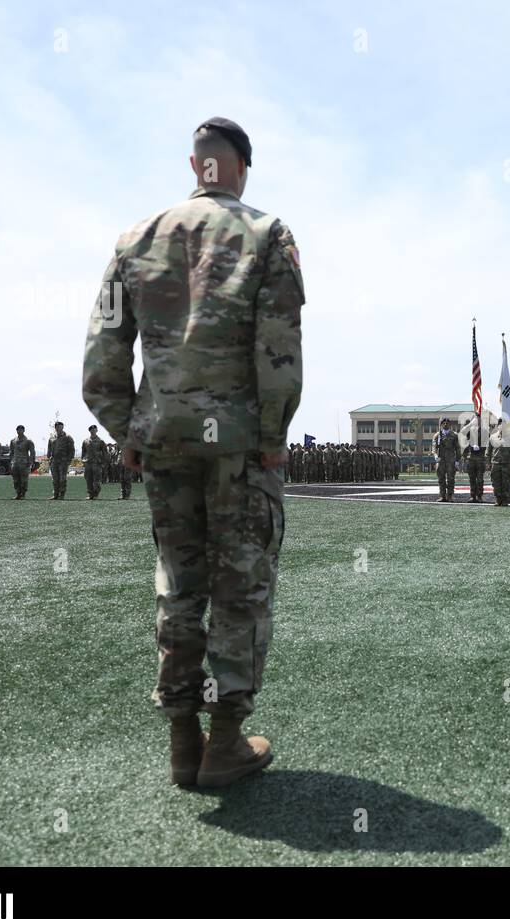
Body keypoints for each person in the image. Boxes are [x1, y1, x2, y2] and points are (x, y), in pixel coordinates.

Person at [82, 116, 304, 788]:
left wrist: (130, 429)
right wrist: (271, 435)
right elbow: (279, 347)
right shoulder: (267, 234)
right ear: (242, 167)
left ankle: (183, 740)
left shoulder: (134, 239)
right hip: (238, 443)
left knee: (180, 583)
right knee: (240, 585)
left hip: (166, 441)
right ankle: (226, 740)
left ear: (195, 164)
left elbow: (101, 356)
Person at [490, 417, 510, 506]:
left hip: (507, 464)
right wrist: (487, 463)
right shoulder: (492, 437)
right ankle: (498, 499)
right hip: (495, 464)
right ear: (498, 426)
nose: (502, 427)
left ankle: (505, 500)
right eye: (500, 425)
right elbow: (488, 451)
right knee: (496, 482)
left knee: (506, 482)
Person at [434, 418, 460, 502]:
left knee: (451, 479)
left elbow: (457, 449)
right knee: (441, 479)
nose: (445, 424)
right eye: (444, 423)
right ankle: (442, 496)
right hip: (441, 460)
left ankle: (450, 496)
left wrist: (457, 460)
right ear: (441, 425)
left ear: (450, 424)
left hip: (451, 460)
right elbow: (434, 447)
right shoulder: (437, 435)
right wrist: (435, 455)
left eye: (447, 423)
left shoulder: (454, 435)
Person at [8, 425, 36, 500]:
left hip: (24, 463)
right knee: (16, 480)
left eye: (21, 430)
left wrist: (31, 462)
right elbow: (11, 452)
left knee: (24, 480)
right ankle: (18, 494)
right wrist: (11, 462)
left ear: (24, 431)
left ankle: (23, 494)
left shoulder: (28, 441)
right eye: (18, 430)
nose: (19, 431)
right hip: (15, 463)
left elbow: (32, 452)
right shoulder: (13, 441)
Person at [47, 422, 74, 499]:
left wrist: (69, 460)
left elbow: (72, 450)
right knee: (55, 479)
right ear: (55, 428)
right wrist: (49, 457)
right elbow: (49, 448)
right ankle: (55, 494)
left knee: (62, 479)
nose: (60, 429)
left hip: (63, 461)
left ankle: (61, 494)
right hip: (54, 460)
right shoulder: (51, 437)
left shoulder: (68, 437)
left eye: (61, 427)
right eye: (58, 427)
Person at [81, 425, 108, 500]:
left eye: (94, 430)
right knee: (88, 479)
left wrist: (103, 463)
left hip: (97, 463)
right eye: (92, 430)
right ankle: (90, 494)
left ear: (97, 431)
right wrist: (83, 460)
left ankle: (96, 494)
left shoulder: (101, 441)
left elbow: (105, 452)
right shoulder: (85, 441)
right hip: (88, 463)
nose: (93, 431)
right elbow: (83, 451)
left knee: (96, 480)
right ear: (89, 431)